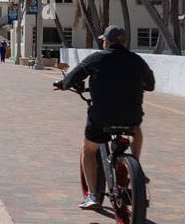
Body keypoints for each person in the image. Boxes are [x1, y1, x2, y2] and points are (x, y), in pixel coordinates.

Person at [53, 25, 156, 210]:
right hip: (131, 116)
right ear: (123, 42)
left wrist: (62, 84)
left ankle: (92, 195)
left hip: (102, 117)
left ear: (106, 41)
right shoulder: (136, 60)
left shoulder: (97, 58)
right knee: (136, 130)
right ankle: (136, 167)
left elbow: (74, 77)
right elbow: (150, 85)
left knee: (88, 150)